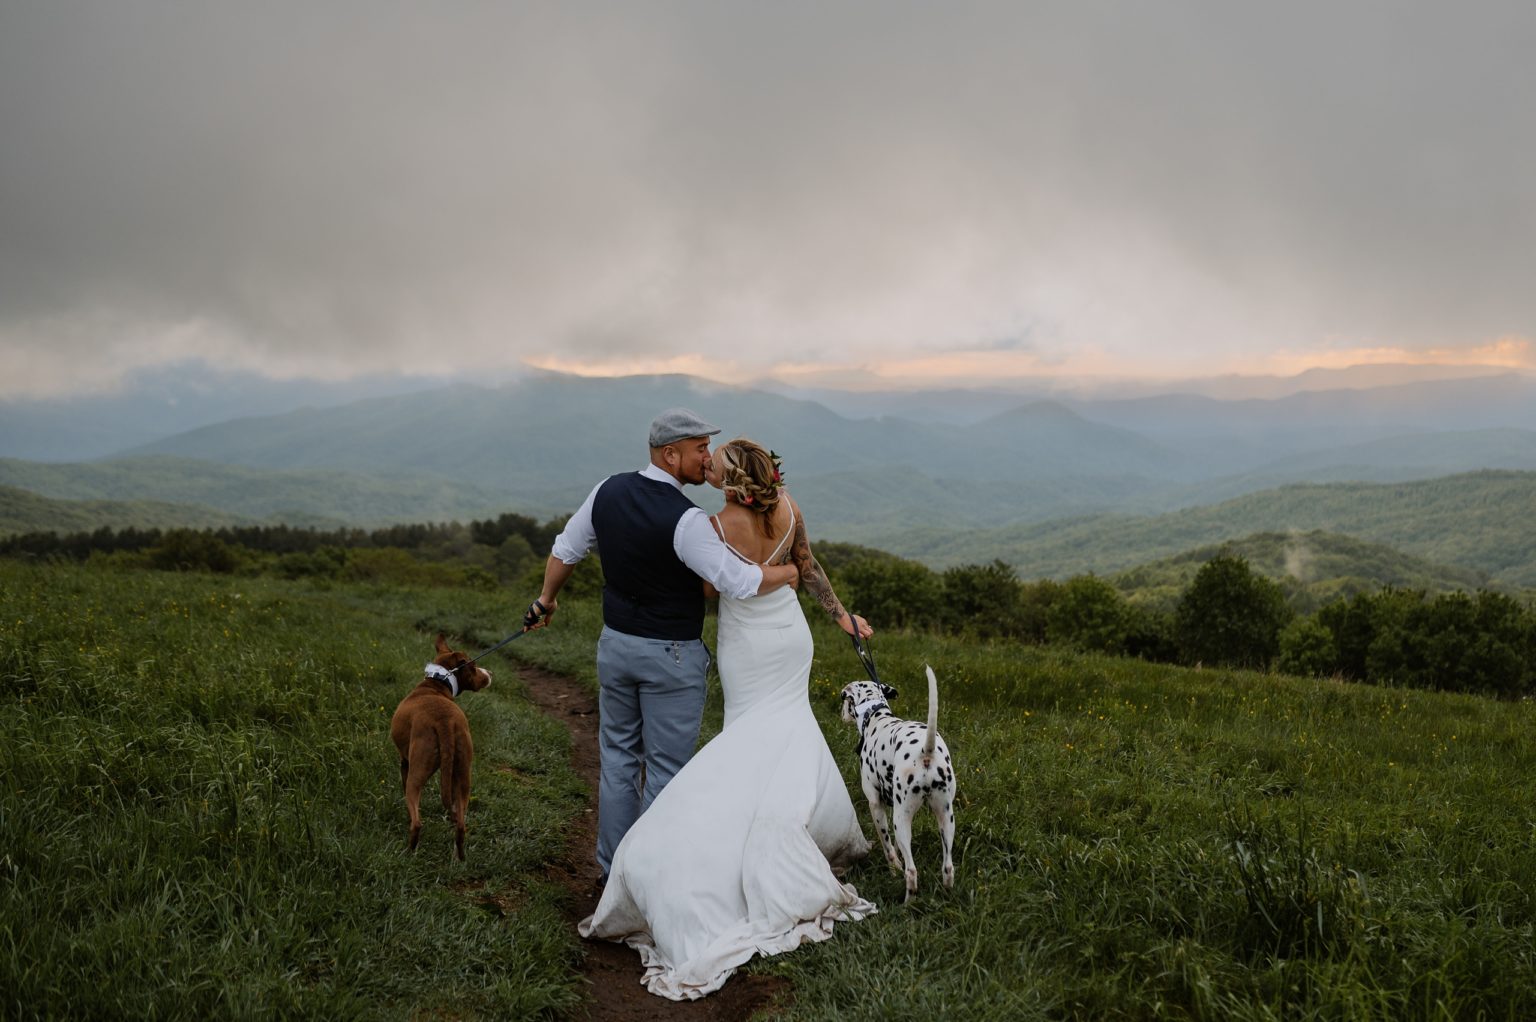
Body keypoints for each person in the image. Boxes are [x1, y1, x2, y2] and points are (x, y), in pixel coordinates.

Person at [578, 437, 877, 1000]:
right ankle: (800, 823)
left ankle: (724, 845)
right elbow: (808, 566)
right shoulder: (789, 508)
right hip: (792, 636)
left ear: (732, 482)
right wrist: (842, 618)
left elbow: (713, 587)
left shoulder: (715, 526)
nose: (708, 463)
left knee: (746, 737)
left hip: (748, 643)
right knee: (787, 728)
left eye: (716, 462)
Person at [525, 409, 800, 884]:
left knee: (617, 760)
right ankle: (650, 882)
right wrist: (790, 571)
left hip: (615, 646)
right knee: (667, 771)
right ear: (670, 455)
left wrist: (546, 599)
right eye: (700, 449)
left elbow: (566, 549)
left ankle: (612, 873)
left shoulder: (606, 490)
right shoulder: (687, 520)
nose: (707, 458)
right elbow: (738, 582)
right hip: (670, 655)